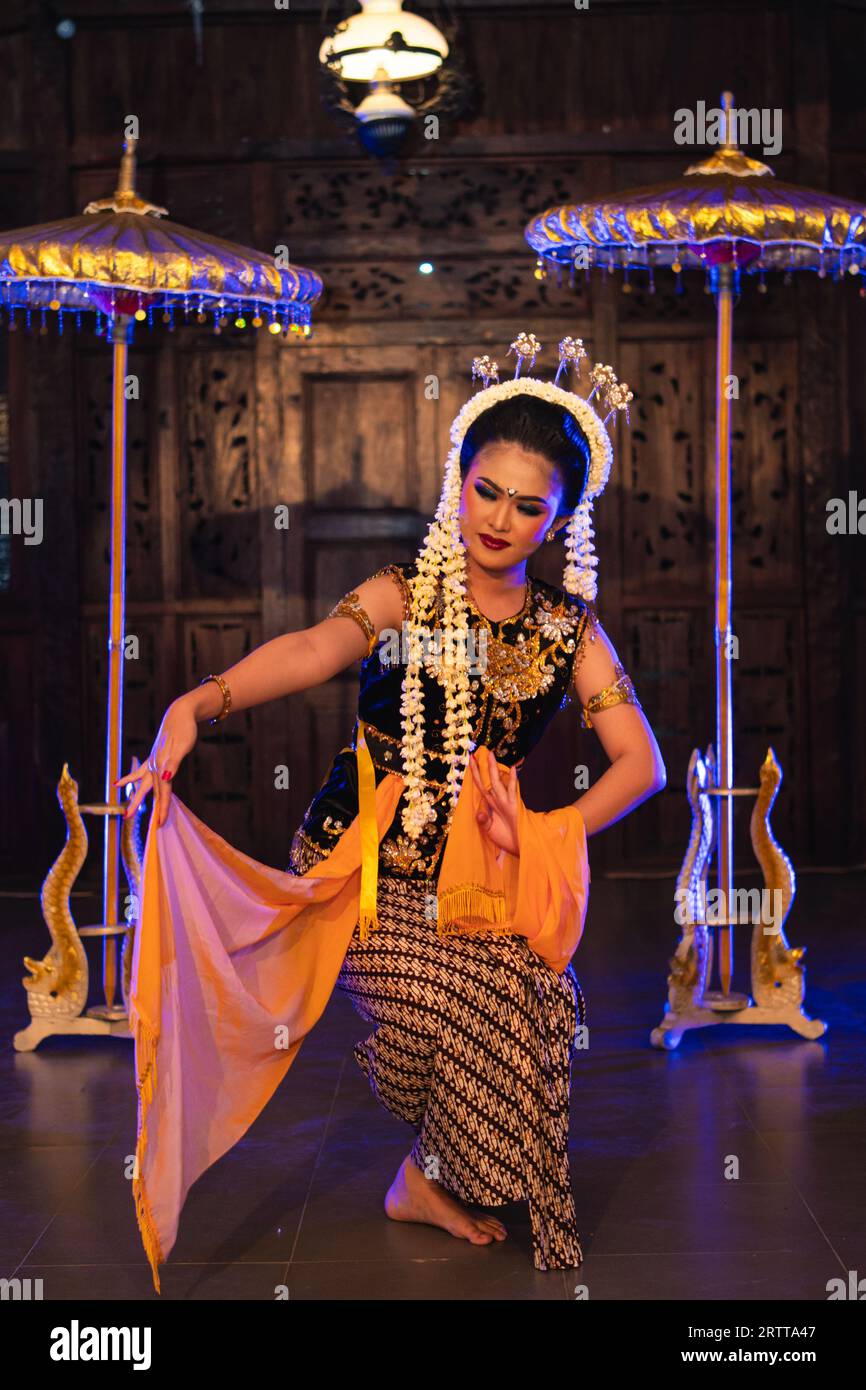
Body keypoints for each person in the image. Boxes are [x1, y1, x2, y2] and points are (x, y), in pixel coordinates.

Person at [121, 332, 665, 1289]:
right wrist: (192, 707)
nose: (499, 518)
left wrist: (541, 831)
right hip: (362, 862)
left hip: (477, 878)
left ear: (559, 522)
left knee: (539, 998)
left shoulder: (567, 631)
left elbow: (642, 764)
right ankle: (437, 1163)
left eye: (529, 505)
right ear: (458, 481)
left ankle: (425, 1177)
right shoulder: (404, 594)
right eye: (485, 490)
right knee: (447, 1001)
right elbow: (308, 651)